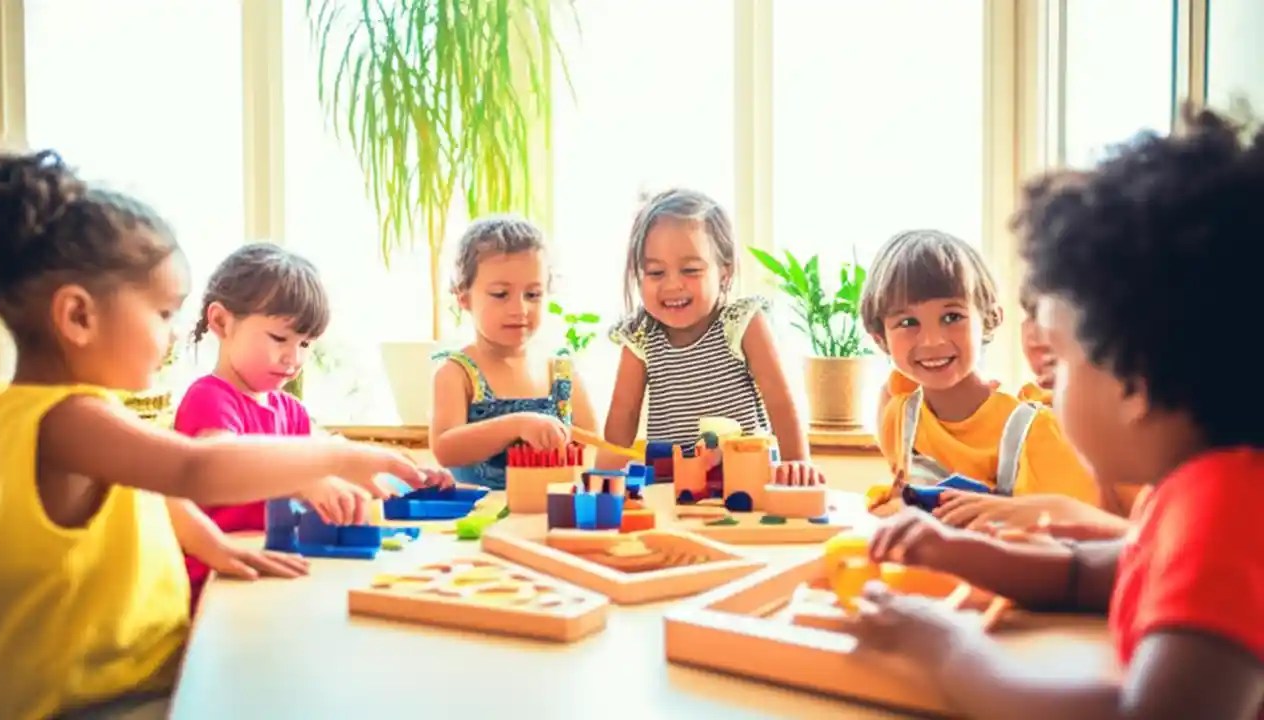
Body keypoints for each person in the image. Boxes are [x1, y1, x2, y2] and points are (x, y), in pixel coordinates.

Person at [0, 150, 437, 720]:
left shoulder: (43, 413)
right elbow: (194, 469)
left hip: (134, 678)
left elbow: (159, 496)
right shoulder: (70, 420)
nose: (175, 337)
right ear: (78, 317)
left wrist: (213, 546)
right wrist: (340, 455)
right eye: (163, 314)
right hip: (96, 702)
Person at [847, 107, 1264, 719]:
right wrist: (960, 551)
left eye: (1061, 362)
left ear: (1135, 386)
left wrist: (948, 652)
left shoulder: (1229, 515)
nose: (1049, 383)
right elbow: (1089, 573)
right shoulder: (1201, 488)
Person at [173, 242, 401, 610]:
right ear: (221, 322)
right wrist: (302, 480)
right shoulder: (209, 399)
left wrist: (383, 477)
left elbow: (329, 468)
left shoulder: (290, 410)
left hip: (274, 570)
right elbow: (225, 467)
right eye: (279, 338)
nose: (293, 359)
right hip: (218, 582)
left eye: (306, 344)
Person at [862, 228, 1098, 514]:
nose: (932, 340)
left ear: (990, 318)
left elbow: (1073, 536)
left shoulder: (1035, 432)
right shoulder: (899, 417)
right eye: (908, 322)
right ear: (880, 338)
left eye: (952, 317)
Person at [603, 188, 823, 485]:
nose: (672, 285)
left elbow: (781, 403)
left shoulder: (742, 323)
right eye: (655, 272)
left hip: (746, 475)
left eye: (690, 270)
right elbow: (620, 427)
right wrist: (608, 477)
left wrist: (796, 464)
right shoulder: (641, 337)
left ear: (725, 272)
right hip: (673, 482)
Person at [430, 215, 598, 488]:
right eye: (500, 294)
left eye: (533, 295)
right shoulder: (457, 372)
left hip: (553, 514)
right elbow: (445, 449)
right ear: (464, 297)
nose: (519, 309)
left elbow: (592, 443)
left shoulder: (562, 373)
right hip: (482, 519)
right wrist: (517, 425)